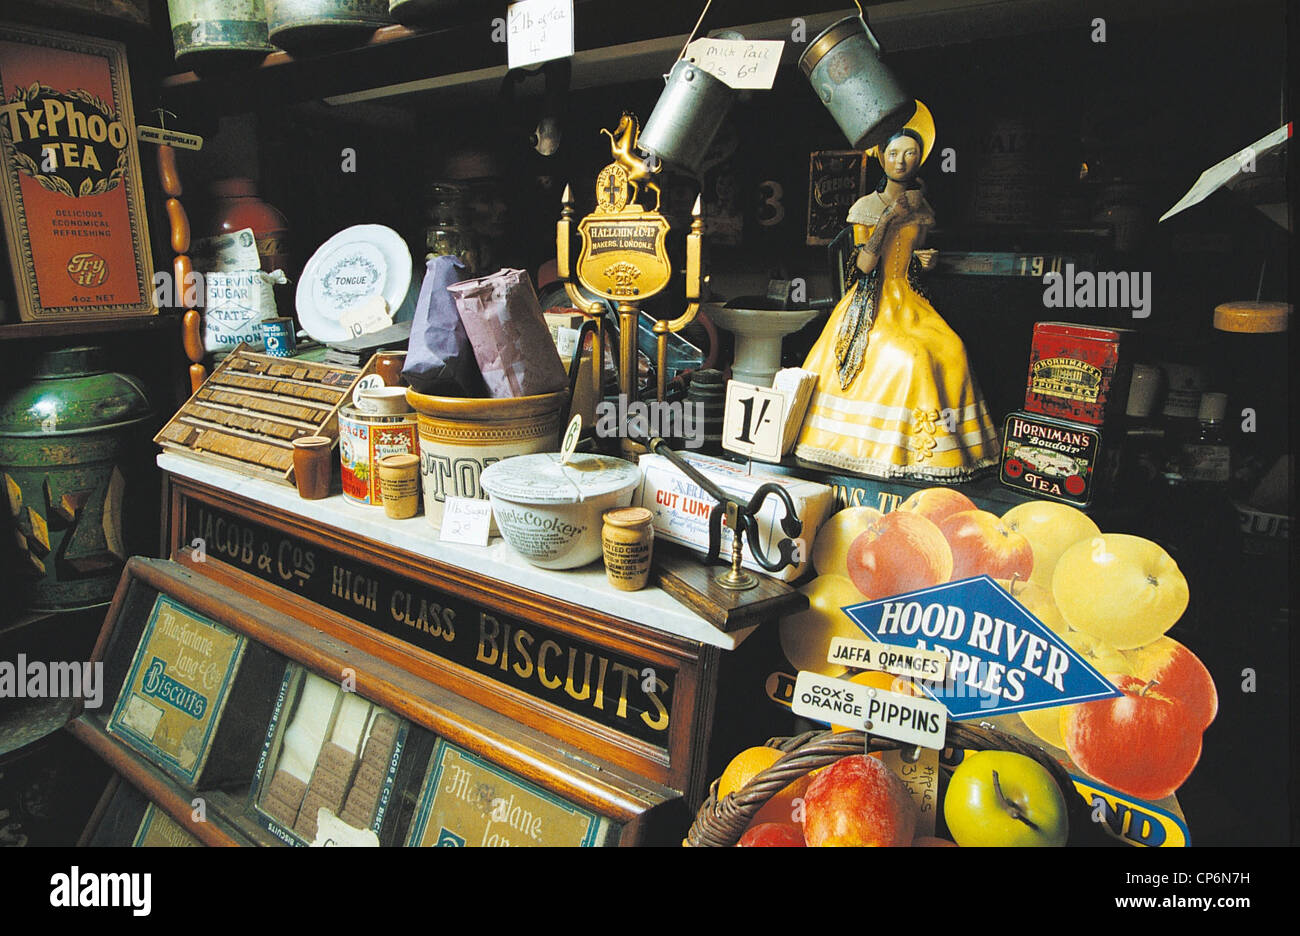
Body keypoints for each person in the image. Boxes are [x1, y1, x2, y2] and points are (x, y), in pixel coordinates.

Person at [795, 106, 1000, 481]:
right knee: (911, 357)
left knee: (951, 347)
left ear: (920, 158)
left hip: (910, 299)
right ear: (880, 158)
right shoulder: (866, 207)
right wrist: (889, 218)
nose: (901, 161)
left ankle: (948, 449)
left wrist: (925, 261)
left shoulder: (923, 209)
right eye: (893, 154)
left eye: (909, 154)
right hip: (872, 304)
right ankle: (887, 447)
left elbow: (912, 262)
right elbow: (863, 266)